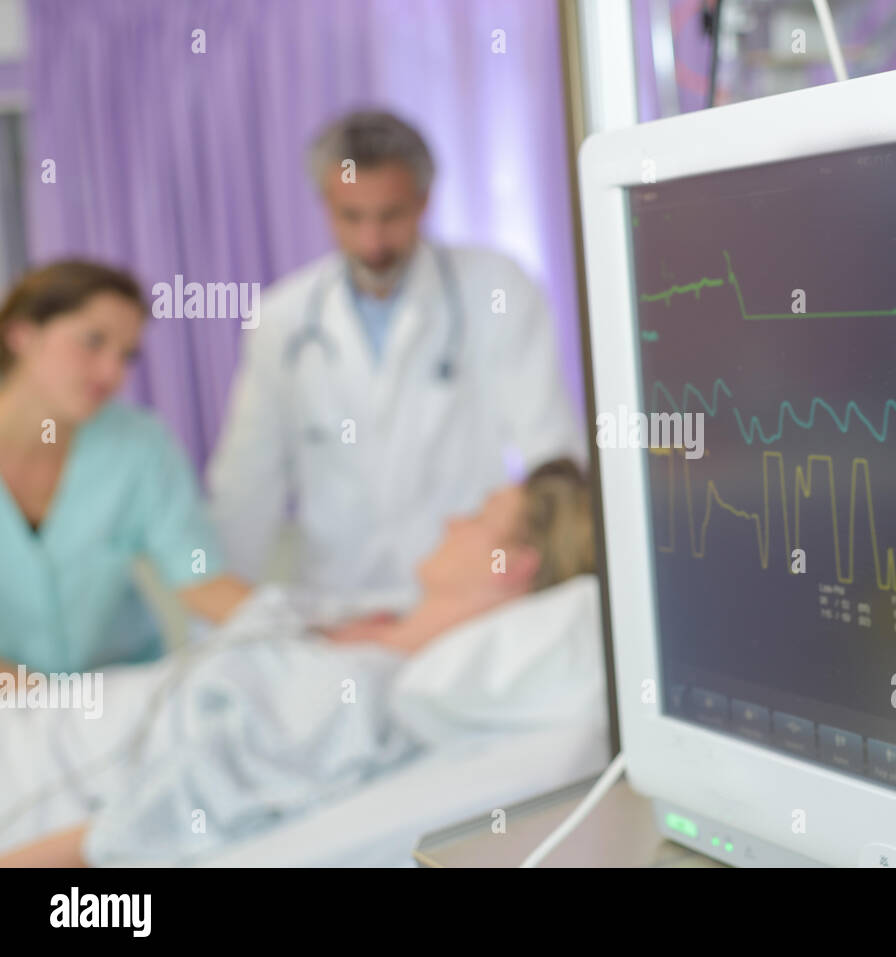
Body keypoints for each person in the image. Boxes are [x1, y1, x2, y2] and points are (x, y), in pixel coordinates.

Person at [0, 458, 596, 867]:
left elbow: (150, 821)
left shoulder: (360, 689)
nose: (452, 521)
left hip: (33, 780)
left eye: (479, 516)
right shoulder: (373, 614)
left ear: (513, 563)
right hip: (42, 715)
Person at [207, 109, 585, 596]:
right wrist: (218, 626)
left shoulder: (496, 288)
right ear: (325, 204)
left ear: (424, 201)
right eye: (352, 217)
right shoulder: (282, 319)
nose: (373, 241)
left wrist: (563, 591)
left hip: (464, 598)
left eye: (390, 216)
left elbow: (550, 453)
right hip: (338, 599)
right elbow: (246, 488)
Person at [0, 261, 251, 675]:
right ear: (23, 334)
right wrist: (36, 700)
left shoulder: (139, 445)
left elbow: (203, 580)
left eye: (126, 355)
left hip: (119, 694)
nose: (111, 372)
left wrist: (312, 627)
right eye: (93, 341)